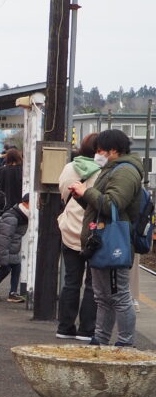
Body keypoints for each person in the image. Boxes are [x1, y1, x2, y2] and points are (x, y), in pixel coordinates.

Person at [68, 129, 144, 347]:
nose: (97, 154)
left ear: (113, 150)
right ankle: (100, 339)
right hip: (101, 240)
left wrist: (87, 192)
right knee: (103, 297)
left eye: (100, 150)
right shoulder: (112, 169)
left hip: (113, 242)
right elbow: (102, 206)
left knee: (119, 296)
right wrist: (83, 197)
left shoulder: (125, 172)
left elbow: (113, 204)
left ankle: (124, 343)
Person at [55, 132, 100, 340]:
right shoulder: (105, 172)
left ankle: (64, 327)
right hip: (95, 231)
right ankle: (86, 329)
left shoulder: (69, 167)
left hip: (71, 228)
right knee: (92, 283)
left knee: (71, 280)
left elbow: (63, 193)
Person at [0, 193, 30, 303]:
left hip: (11, 247)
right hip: (2, 246)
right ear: (25, 203)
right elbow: (4, 238)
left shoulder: (22, 215)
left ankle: (13, 293)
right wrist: (3, 256)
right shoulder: (13, 218)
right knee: (6, 267)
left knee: (16, 266)